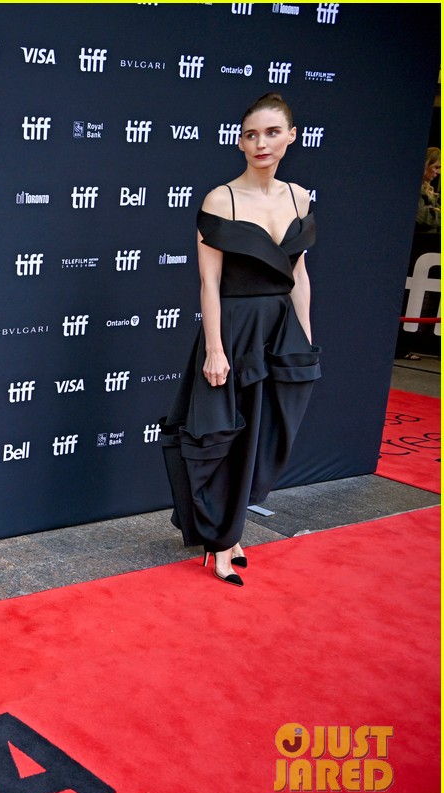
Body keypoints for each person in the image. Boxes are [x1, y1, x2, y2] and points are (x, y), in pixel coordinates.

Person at [159, 92, 320, 588]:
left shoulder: (299, 197)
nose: (261, 143)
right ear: (240, 141)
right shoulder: (221, 199)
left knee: (263, 436)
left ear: (292, 136)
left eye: (272, 133)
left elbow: (299, 274)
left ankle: (231, 529)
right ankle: (221, 541)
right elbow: (208, 282)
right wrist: (213, 348)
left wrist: (305, 337)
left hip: (279, 331)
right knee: (219, 437)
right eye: (251, 134)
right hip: (231, 329)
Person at [415, 146, 440, 233]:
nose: (438, 172)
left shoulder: (429, 190)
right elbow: (420, 215)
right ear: (426, 165)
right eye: (436, 167)